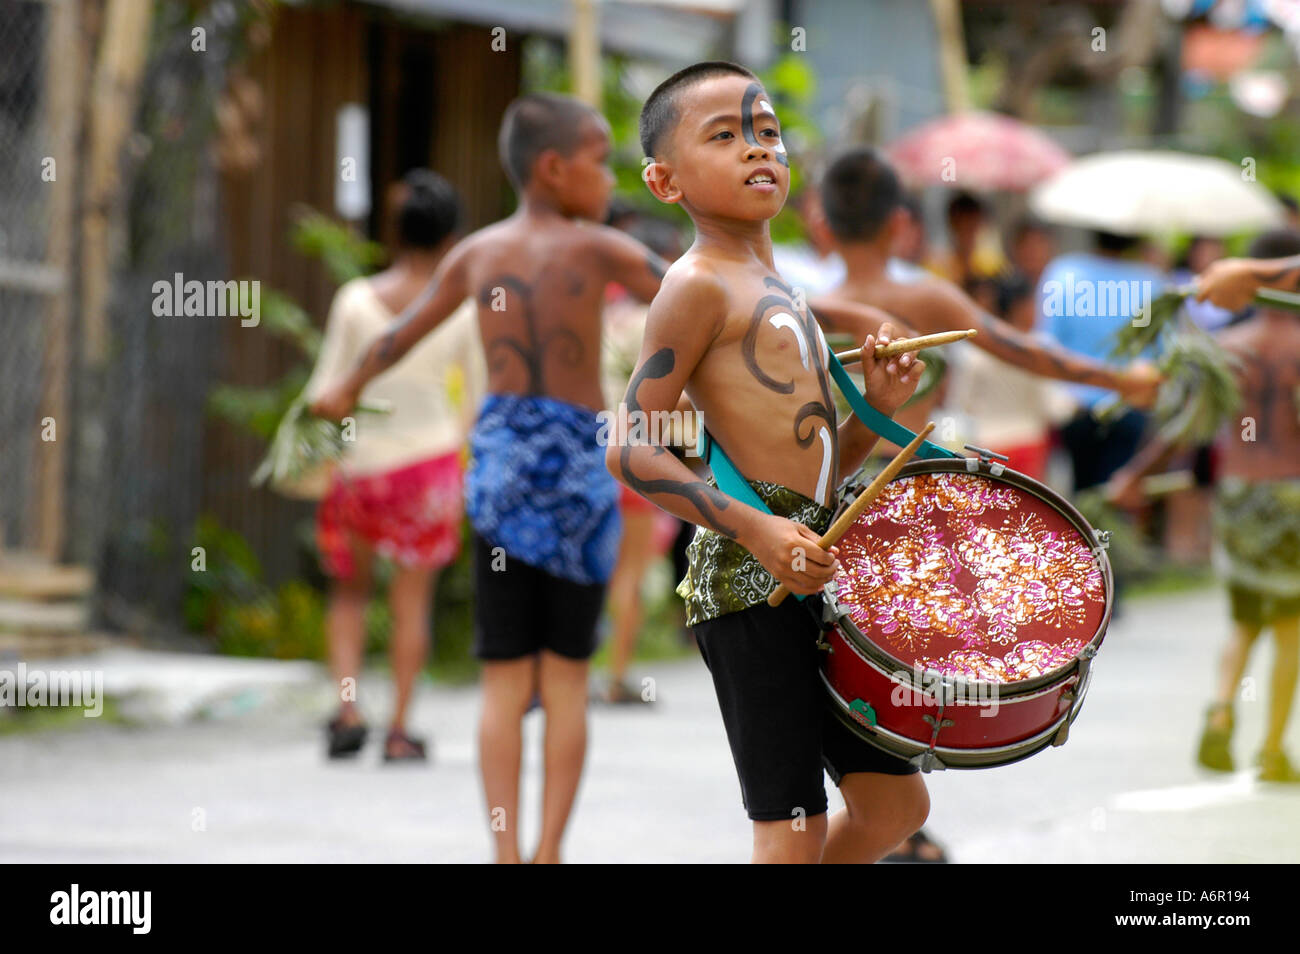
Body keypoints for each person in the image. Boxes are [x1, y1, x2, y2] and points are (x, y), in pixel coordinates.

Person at [312, 92, 668, 862]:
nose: (612, 179)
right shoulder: (602, 252)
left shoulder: (476, 254)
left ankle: (505, 857)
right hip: (578, 479)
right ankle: (548, 854)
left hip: (504, 479)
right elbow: (707, 298)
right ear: (554, 167)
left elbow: (400, 337)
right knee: (567, 679)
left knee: (504, 684)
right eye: (601, 160)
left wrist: (341, 392)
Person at [609, 60, 929, 864]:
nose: (758, 150)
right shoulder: (695, 285)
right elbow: (628, 444)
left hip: (815, 562)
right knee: (791, 824)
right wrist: (755, 528)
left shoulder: (782, 286)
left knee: (894, 804)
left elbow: (824, 459)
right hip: (750, 582)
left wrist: (877, 411)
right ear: (663, 181)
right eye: (724, 136)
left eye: (767, 132)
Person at [809, 147, 1162, 463]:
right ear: (899, 223)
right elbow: (1022, 351)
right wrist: (1120, 380)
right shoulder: (928, 297)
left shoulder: (805, 315)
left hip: (827, 493)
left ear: (823, 228)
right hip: (905, 487)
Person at [304, 170, 485, 762]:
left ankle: (348, 710)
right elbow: (477, 403)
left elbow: (327, 390)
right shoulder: (460, 309)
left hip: (362, 468)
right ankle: (401, 729)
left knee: (350, 595)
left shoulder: (355, 301)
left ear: (395, 231)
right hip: (429, 469)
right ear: (452, 236)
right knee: (413, 604)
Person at [1109, 229, 1300, 784]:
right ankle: (1271, 748)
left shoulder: (1228, 349)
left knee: (1244, 618)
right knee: (1289, 625)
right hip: (1291, 495)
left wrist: (1133, 475)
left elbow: (1183, 428)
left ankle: (1220, 710)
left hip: (1239, 493)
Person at [599, 213, 686, 704]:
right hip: (634, 449)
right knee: (630, 570)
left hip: (589, 446)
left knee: (598, 567)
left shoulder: (601, 314)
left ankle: (568, 668)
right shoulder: (656, 321)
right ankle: (615, 676)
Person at [1036, 230, 1167, 491]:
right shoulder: (1150, 281)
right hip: (1130, 404)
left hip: (1073, 408)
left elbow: (1044, 343)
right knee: (1117, 493)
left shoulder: (1063, 273)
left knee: (1080, 498)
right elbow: (1162, 352)